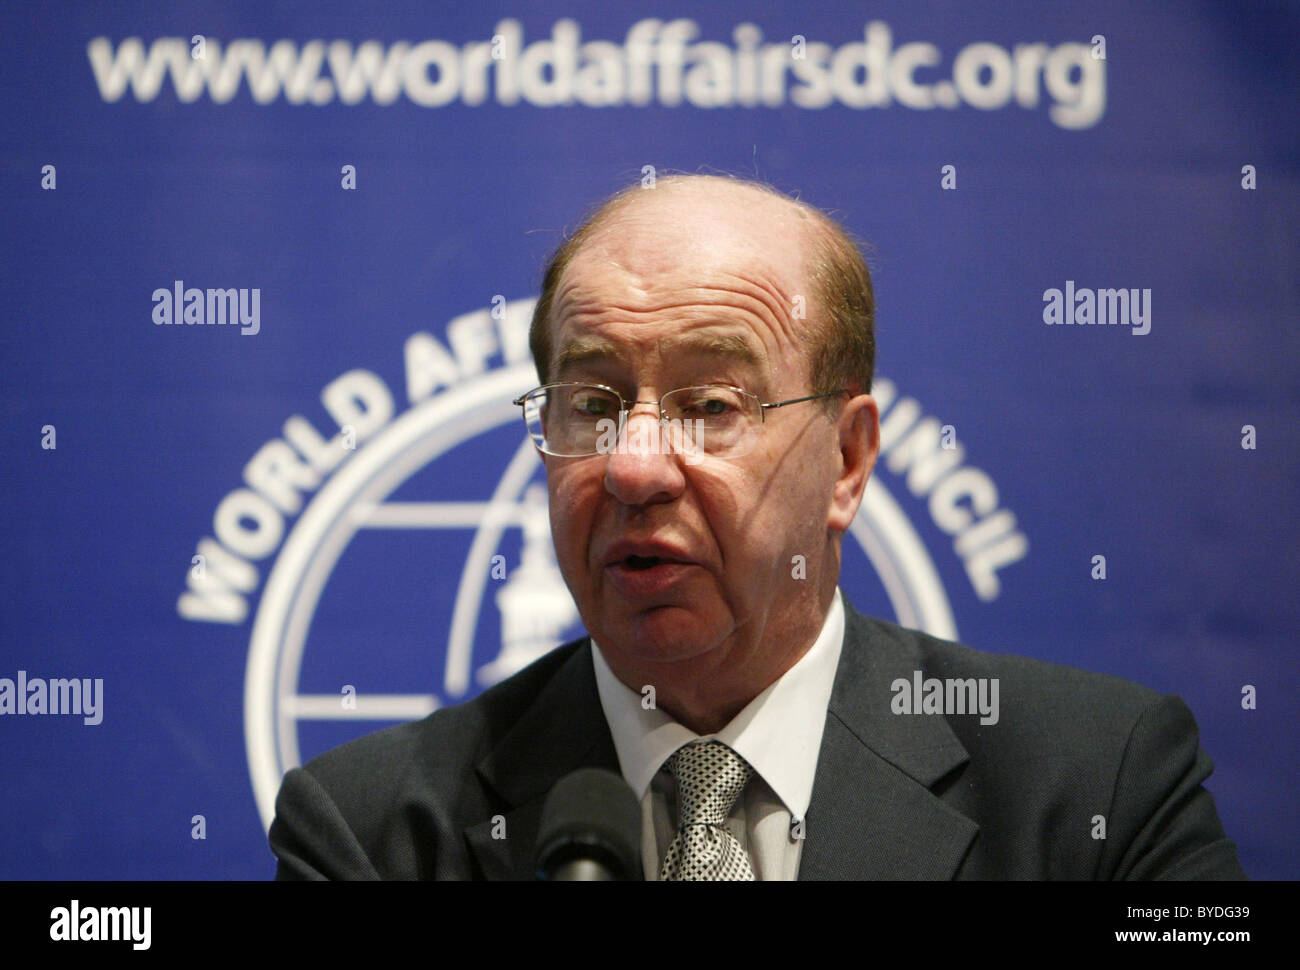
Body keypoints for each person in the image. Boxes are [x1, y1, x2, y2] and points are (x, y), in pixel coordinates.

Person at [268, 174, 1245, 880]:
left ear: (849, 461)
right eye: (593, 401)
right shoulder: (374, 829)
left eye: (710, 404)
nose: (634, 464)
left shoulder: (1093, 783)